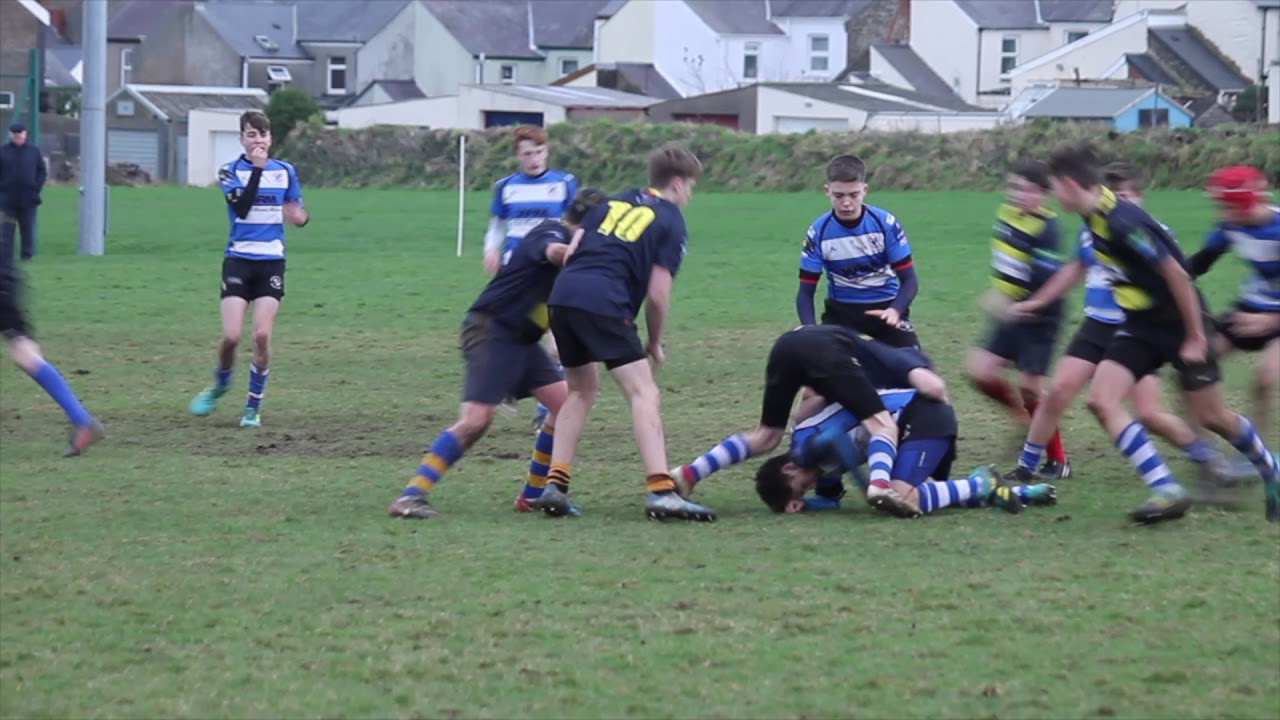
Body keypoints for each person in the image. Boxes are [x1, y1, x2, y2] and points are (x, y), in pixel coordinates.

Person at [1043, 144, 1279, 524]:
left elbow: (1177, 274)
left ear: (1070, 186)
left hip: (1180, 323)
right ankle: (1165, 487)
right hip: (1139, 325)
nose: (1054, 195)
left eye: (1054, 187)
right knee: (1102, 401)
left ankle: (1271, 469)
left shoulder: (1122, 222)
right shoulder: (1095, 217)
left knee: (1215, 416)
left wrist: (1196, 338)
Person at [1002, 163, 1226, 491]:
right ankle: (1026, 467)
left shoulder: (1147, 231)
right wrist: (1036, 302)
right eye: (1116, 194)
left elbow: (1177, 277)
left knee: (1149, 413)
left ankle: (1207, 458)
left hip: (1137, 328)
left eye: (1127, 195)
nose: (1120, 200)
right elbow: (1074, 269)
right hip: (1097, 324)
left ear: (1140, 198)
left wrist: (1192, 332)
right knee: (1058, 392)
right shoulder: (1092, 225)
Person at [388, 189, 606, 519]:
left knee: (565, 407)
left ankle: (532, 495)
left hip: (523, 341)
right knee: (476, 420)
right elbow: (554, 252)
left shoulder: (579, 265)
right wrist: (585, 252)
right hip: (491, 330)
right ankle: (411, 495)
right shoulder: (552, 231)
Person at [534, 143, 716, 522]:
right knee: (643, 391)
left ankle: (555, 485)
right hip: (605, 301)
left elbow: (576, 246)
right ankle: (661, 490)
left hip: (564, 297)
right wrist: (655, 340)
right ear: (679, 184)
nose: (691, 196)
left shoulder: (609, 203)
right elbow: (658, 292)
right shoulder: (670, 220)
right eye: (692, 188)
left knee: (580, 391)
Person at [671, 325, 937, 518]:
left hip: (785, 345)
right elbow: (931, 388)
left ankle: (691, 473)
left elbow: (811, 393)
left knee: (766, 436)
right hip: (824, 345)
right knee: (882, 426)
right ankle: (879, 486)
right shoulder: (883, 359)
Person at [751, 389, 1058, 516]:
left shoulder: (803, 449)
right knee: (923, 496)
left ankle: (982, 482)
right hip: (917, 429)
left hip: (920, 414)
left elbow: (834, 438)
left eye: (803, 485)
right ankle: (1020, 492)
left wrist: (870, 487)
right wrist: (804, 505)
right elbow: (831, 501)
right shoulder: (818, 473)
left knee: (902, 496)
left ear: (788, 468)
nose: (812, 485)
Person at [189, 110, 307, 428]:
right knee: (230, 337)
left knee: (261, 335)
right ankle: (221, 384)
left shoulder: (286, 171)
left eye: (263, 134)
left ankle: (253, 407)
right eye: (252, 134)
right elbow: (241, 207)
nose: (258, 140)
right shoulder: (230, 172)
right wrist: (256, 169)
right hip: (239, 259)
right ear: (241, 138)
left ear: (271, 138)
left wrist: (300, 217)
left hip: (271, 260)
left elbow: (297, 209)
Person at [966, 161, 1070, 478]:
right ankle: (1024, 421)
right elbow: (1007, 261)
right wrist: (1003, 294)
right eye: (1013, 187)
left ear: (1043, 194)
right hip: (1012, 308)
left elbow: (1044, 280)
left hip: (1040, 315)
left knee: (1031, 389)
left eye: (1025, 189)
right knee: (979, 370)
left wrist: (1015, 303)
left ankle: (1059, 461)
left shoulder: (1048, 229)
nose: (1017, 194)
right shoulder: (1006, 214)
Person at [483, 125, 579, 429]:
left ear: (547, 151)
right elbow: (498, 223)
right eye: (527, 153)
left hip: (551, 271)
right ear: (517, 156)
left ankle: (542, 406)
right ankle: (514, 387)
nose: (534, 158)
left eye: (539, 152)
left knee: (554, 335)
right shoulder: (506, 186)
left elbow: (578, 223)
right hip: (516, 271)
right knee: (515, 333)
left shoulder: (564, 183)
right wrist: (491, 250)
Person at [1188, 165, 1279, 476]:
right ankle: (1202, 453)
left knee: (1264, 378)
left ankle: (1259, 455)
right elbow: (1199, 263)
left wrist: (1271, 322)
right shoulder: (1230, 226)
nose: (1221, 212)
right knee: (1192, 367)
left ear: (1244, 203)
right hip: (1251, 306)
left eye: (1226, 205)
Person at [797, 154, 920, 348]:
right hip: (841, 314)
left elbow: (910, 281)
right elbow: (805, 293)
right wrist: (810, 330)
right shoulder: (818, 232)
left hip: (886, 308)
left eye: (853, 195)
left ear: (865, 190)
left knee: (915, 368)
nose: (846, 203)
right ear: (827, 191)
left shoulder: (885, 224)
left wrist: (895, 310)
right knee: (820, 370)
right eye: (838, 196)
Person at [0, 263, 104, 455]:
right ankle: (82, 420)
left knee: (24, 353)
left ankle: (83, 421)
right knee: (24, 351)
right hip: (6, 277)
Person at [0, 122, 46, 263]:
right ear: (11, 135)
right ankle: (7, 257)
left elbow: (42, 172)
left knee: (27, 228)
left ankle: (26, 256)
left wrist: (35, 188)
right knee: (7, 229)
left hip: (28, 198)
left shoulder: (34, 151)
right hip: (7, 199)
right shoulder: (3, 151)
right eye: (15, 133)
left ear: (25, 134)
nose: (18, 136)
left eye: (20, 133)